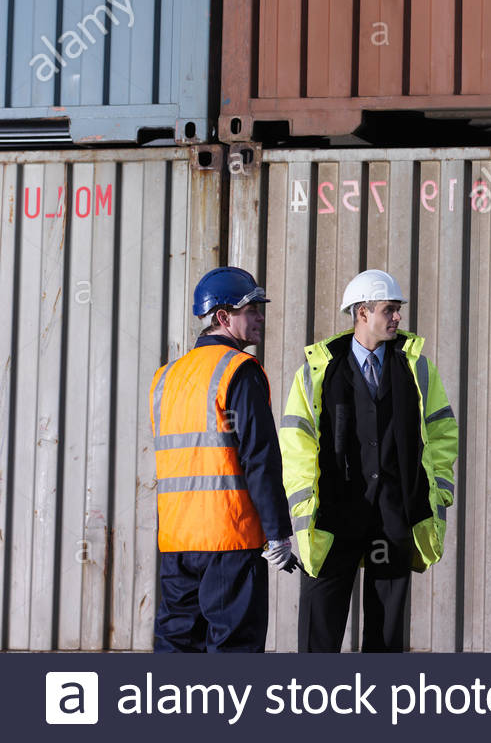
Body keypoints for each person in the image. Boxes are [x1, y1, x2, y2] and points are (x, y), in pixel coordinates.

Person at [279, 269, 459, 652]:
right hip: (333, 517)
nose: (397, 318)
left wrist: (439, 490)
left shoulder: (417, 369)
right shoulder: (319, 371)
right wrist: (304, 507)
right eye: (389, 310)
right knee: (319, 634)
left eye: (397, 311)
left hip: (394, 517)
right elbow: (296, 443)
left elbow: (443, 432)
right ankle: (310, 706)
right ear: (362, 313)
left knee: (387, 638)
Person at [149, 266, 296, 652]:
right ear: (223, 317)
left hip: (177, 542)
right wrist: (278, 531)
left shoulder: (167, 377)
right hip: (229, 541)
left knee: (177, 647)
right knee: (233, 652)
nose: (261, 317)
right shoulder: (239, 372)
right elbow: (260, 458)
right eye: (252, 310)